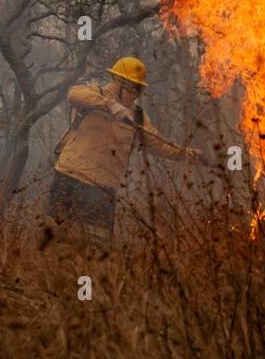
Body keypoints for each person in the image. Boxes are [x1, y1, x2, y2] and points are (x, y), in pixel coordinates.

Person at [47, 56, 198, 245]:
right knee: (55, 239)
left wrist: (186, 155)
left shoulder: (139, 117)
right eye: (131, 88)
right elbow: (73, 94)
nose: (135, 94)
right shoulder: (94, 94)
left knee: (98, 248)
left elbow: (158, 144)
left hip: (102, 188)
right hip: (68, 177)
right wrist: (109, 104)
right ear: (117, 82)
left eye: (138, 89)